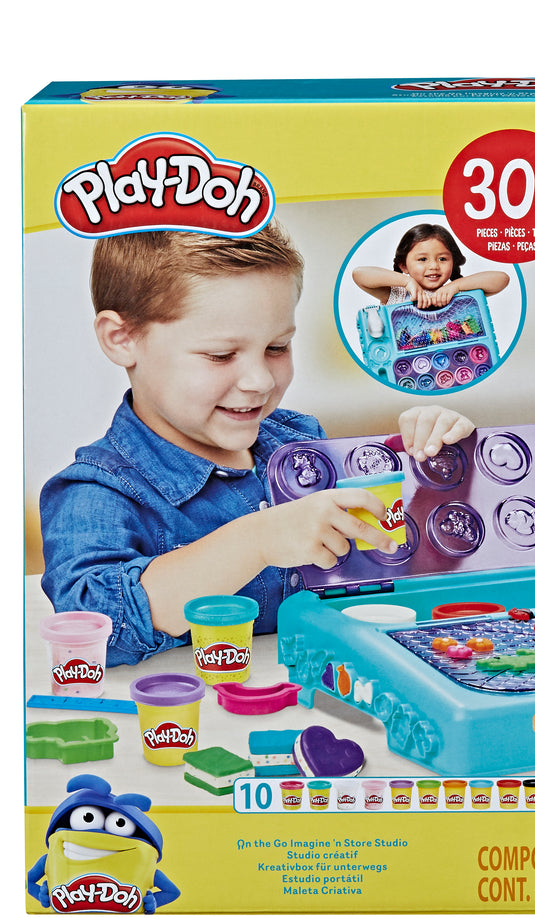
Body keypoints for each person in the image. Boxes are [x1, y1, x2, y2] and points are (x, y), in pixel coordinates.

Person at [40, 223, 473, 666]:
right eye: (221, 355)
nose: (260, 381)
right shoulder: (97, 492)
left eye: (277, 347)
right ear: (122, 338)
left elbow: (396, 562)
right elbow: (94, 628)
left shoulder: (304, 446)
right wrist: (257, 540)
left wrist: (434, 468)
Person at [353, 222, 509, 309]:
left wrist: (456, 286)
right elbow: (359, 274)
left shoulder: (459, 294)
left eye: (442, 259)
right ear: (403, 266)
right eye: (422, 259)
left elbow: (501, 279)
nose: (434, 266)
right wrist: (407, 282)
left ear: (453, 262)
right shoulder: (396, 294)